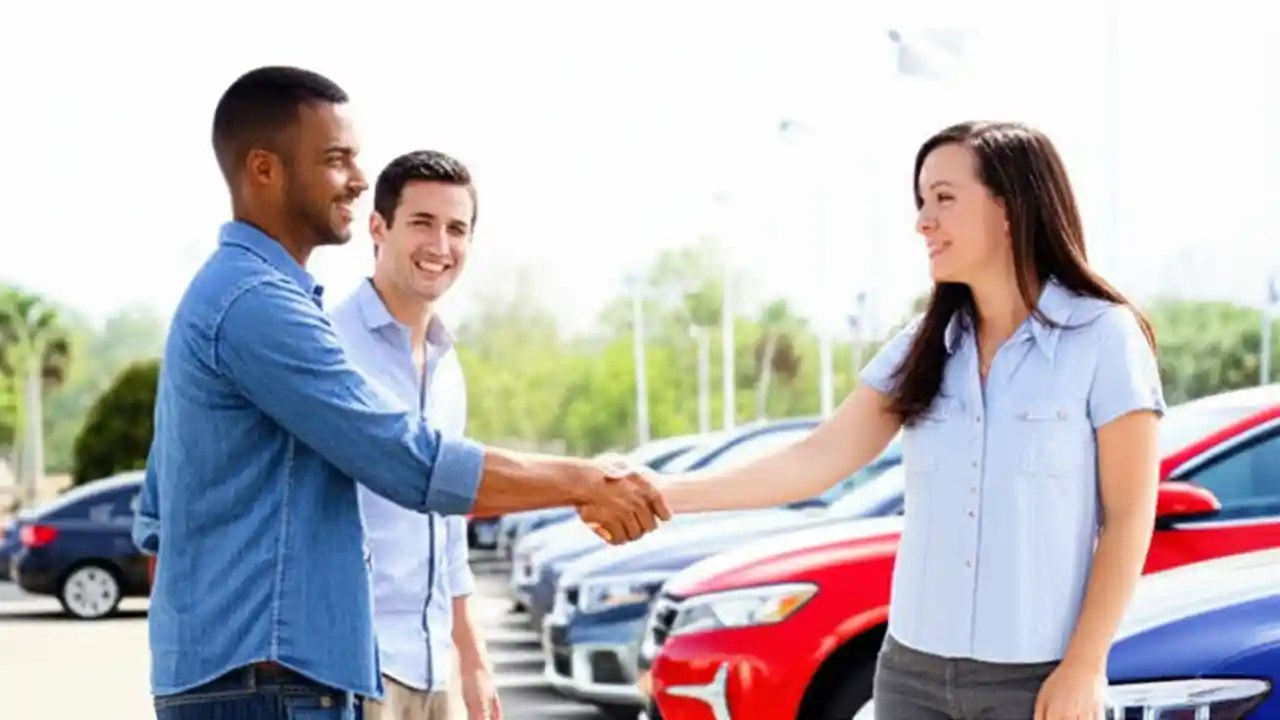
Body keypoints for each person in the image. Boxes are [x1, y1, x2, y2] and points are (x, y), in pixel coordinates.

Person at [132, 65, 668, 720]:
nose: (358, 179)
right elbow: (407, 460)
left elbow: (156, 518)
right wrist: (583, 481)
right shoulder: (258, 306)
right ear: (264, 170)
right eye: (336, 160)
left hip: (263, 678)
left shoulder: (242, 295)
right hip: (269, 684)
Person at [633, 121, 1165, 720]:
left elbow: (1127, 518)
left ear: (1011, 205)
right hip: (911, 675)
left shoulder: (1103, 337)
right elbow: (811, 461)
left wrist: (1085, 666)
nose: (923, 222)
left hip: (1037, 680)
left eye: (943, 198)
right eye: (921, 202)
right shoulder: (923, 347)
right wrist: (658, 493)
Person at [328, 149, 499, 720]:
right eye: (422, 223)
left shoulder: (449, 366)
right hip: (353, 667)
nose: (440, 246)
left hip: (430, 669)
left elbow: (448, 532)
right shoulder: (329, 347)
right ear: (378, 228)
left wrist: (471, 658)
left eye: (457, 229)